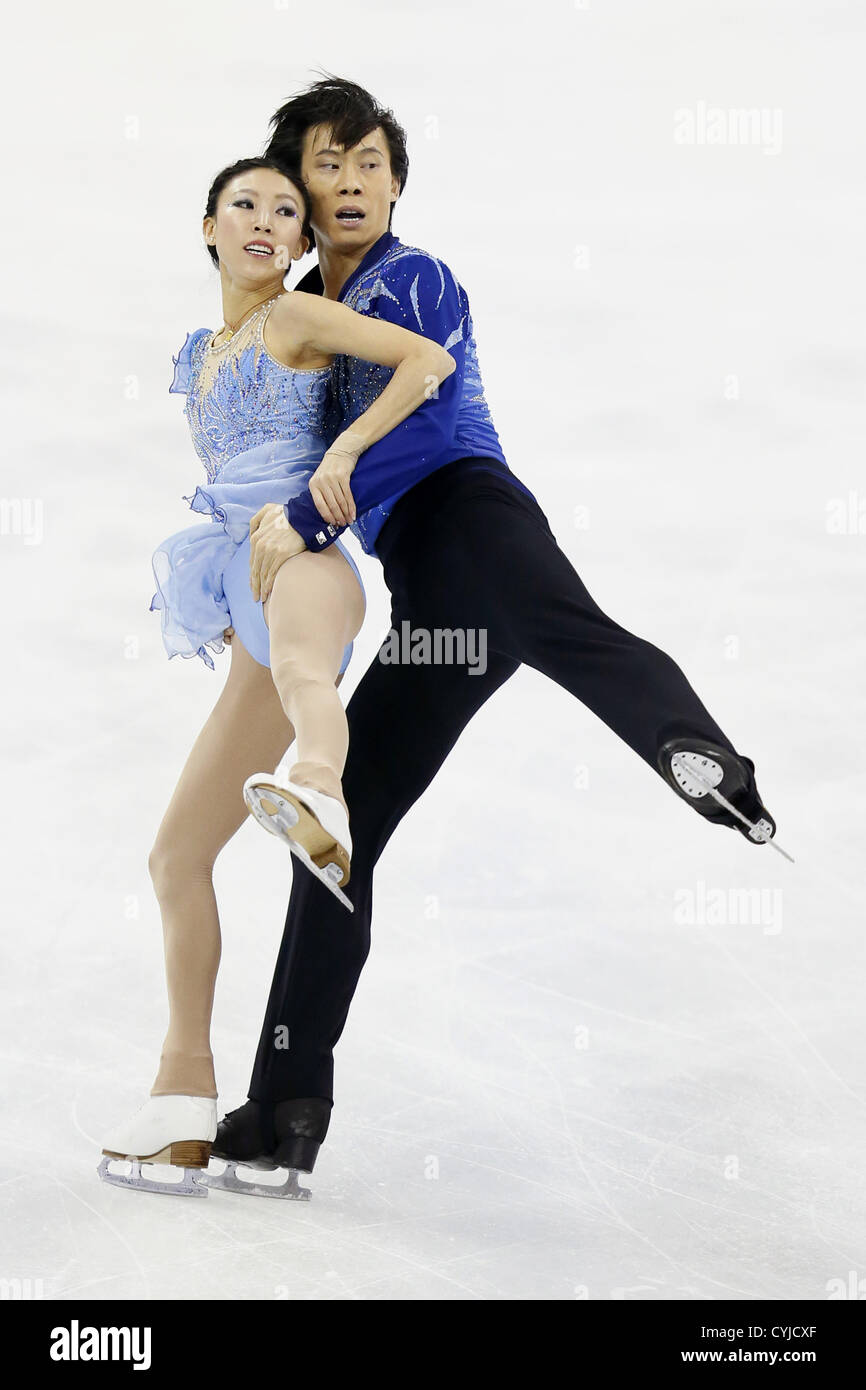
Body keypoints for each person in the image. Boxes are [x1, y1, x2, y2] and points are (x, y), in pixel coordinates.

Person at [203, 77, 785, 1198]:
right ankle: (287, 1098)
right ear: (295, 186)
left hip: (472, 519)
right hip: (435, 613)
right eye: (330, 165)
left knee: (568, 630)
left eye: (372, 163)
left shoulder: (411, 276)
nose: (355, 181)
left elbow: (423, 397)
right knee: (339, 835)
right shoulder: (316, 316)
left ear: (396, 185)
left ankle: (700, 761)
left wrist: (316, 509)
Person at [97, 153, 455, 1196]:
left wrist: (338, 458)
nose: (266, 220)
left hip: (299, 559)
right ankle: (180, 1097)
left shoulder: (293, 321)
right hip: (237, 577)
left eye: (284, 212)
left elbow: (424, 359)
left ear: (301, 247)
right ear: (207, 226)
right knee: (174, 856)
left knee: (309, 676)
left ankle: (323, 796)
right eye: (244, 205)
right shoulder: (202, 351)